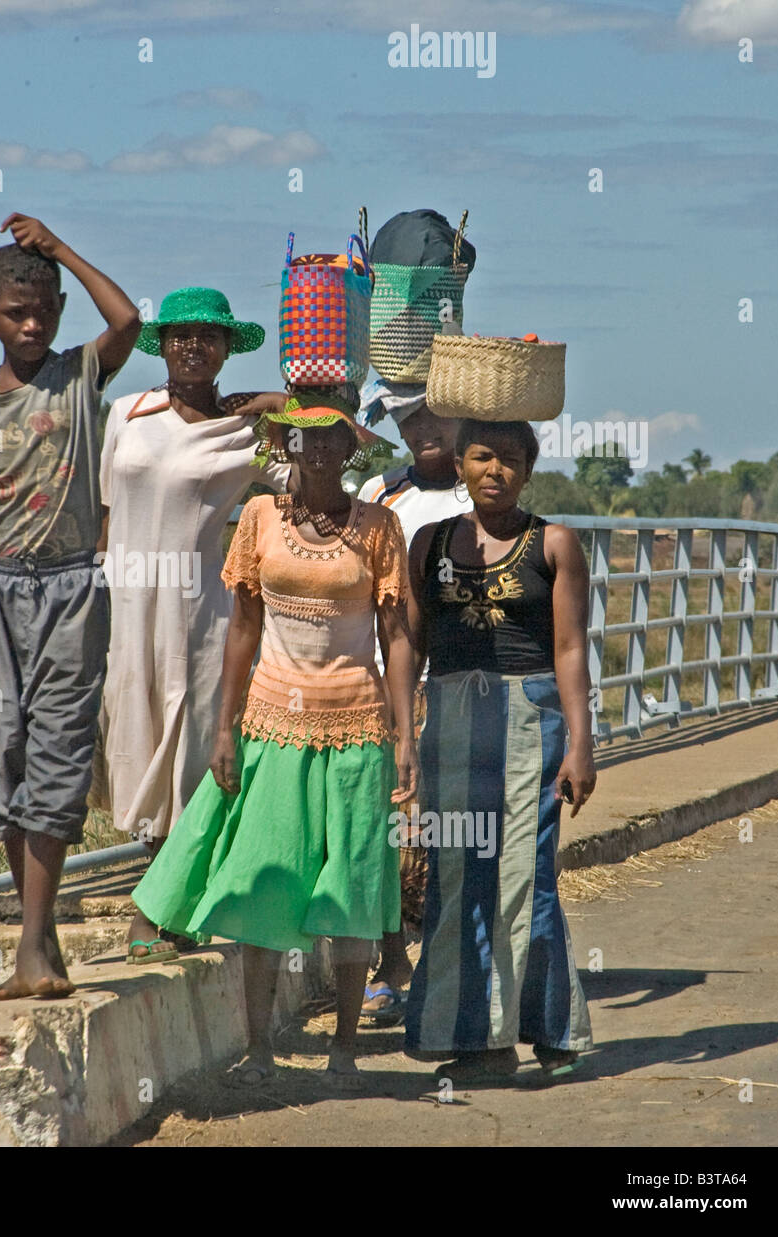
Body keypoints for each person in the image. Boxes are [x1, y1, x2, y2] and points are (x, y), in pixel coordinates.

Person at [131, 392, 415, 1086]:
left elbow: (397, 637)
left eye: (332, 438)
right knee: (261, 881)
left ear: (353, 449)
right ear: (285, 444)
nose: (317, 450)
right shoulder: (258, 517)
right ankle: (259, 1048)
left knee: (351, 886)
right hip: (271, 725)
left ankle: (343, 1047)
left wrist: (406, 736)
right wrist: (223, 728)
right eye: (302, 437)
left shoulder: (380, 528)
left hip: (357, 726)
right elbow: (242, 631)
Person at [0, 213, 140, 1000]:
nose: (30, 324)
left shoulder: (80, 377)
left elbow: (129, 320)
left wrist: (59, 250)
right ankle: (39, 934)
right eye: (16, 312)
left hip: (69, 593)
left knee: (56, 757)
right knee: (1, 759)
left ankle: (29, 947)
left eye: (43, 311)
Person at [97, 287, 290, 965]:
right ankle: (168, 891)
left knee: (187, 755)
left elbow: (351, 459)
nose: (193, 347)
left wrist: (281, 405)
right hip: (128, 607)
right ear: (164, 344)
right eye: (181, 335)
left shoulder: (245, 434)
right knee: (137, 739)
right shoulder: (128, 412)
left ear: (227, 350)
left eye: (209, 338)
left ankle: (161, 908)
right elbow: (105, 513)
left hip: (197, 614)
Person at [403, 419, 596, 1081]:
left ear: (528, 469)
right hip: (451, 726)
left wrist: (581, 744)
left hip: (528, 725)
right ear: (460, 464)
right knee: (456, 876)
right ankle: (468, 1032)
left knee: (526, 874)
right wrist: (404, 731)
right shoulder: (429, 544)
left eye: (510, 459)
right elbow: (408, 641)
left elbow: (571, 648)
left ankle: (539, 1027)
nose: (495, 471)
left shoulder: (556, 545)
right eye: (482, 457)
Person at [356, 383, 472, 1021]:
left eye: (433, 414)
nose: (422, 427)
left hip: (451, 679)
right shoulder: (381, 493)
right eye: (408, 417)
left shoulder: (476, 487)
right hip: (378, 677)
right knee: (382, 825)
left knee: (434, 826)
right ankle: (388, 960)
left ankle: (437, 963)